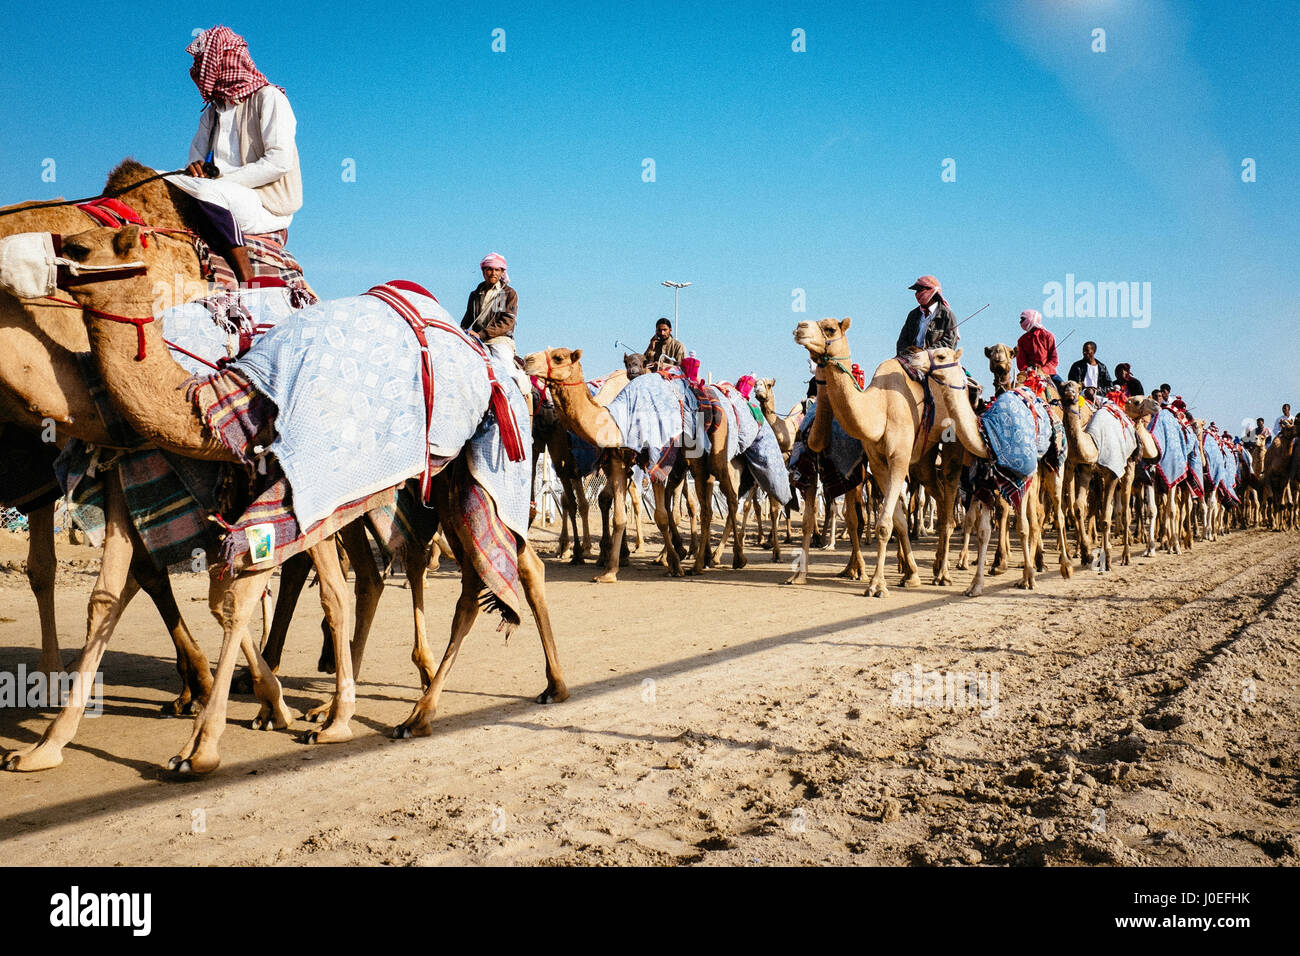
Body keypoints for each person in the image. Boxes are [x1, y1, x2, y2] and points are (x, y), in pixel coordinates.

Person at [174, 26, 303, 285]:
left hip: (265, 202)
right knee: (162, 180)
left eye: (204, 62)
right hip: (223, 193)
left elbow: (278, 161)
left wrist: (222, 181)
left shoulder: (269, 98)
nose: (198, 69)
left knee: (208, 193)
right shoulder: (212, 112)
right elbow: (194, 158)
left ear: (224, 60)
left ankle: (246, 279)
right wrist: (195, 168)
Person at [461, 252, 528, 397]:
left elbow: (507, 322)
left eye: (497, 269)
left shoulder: (508, 293)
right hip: (475, 338)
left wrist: (482, 334)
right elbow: (467, 319)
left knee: (505, 370)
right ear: (483, 271)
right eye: (489, 269)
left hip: (498, 339)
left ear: (502, 272)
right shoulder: (475, 294)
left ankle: (513, 402)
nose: (493, 273)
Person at [895, 275, 957, 355]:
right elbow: (902, 341)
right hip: (910, 359)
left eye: (919, 290)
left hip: (935, 360)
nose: (917, 294)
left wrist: (925, 354)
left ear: (932, 290)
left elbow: (949, 343)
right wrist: (907, 354)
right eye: (916, 291)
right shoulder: (913, 315)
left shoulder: (947, 315)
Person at [1013, 310, 1061, 385]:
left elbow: (1054, 360)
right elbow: (1021, 362)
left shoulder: (1047, 336)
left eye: (1023, 319)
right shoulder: (1021, 340)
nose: (1020, 322)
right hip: (1028, 374)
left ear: (1031, 319)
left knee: (1066, 390)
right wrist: (1029, 370)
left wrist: (1042, 370)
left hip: (1048, 373)